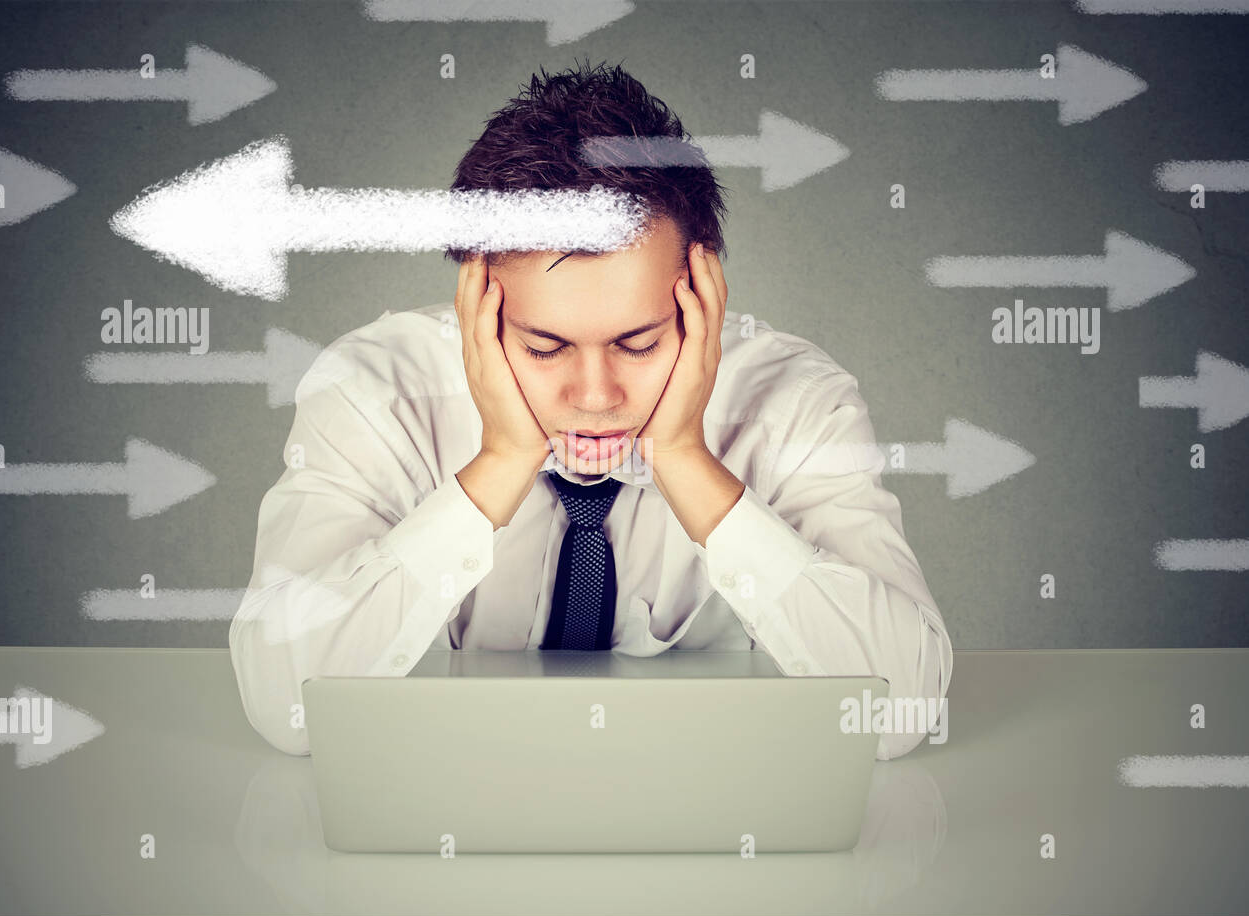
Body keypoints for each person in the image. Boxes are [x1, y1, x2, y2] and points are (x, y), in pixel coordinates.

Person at [229, 58, 952, 760]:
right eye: (544, 348)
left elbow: (903, 711)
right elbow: (286, 708)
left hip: (702, 801)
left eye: (638, 344)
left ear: (702, 294)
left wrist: (687, 462)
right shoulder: (374, 394)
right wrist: (499, 465)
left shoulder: (797, 405)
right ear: (476, 303)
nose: (596, 398)